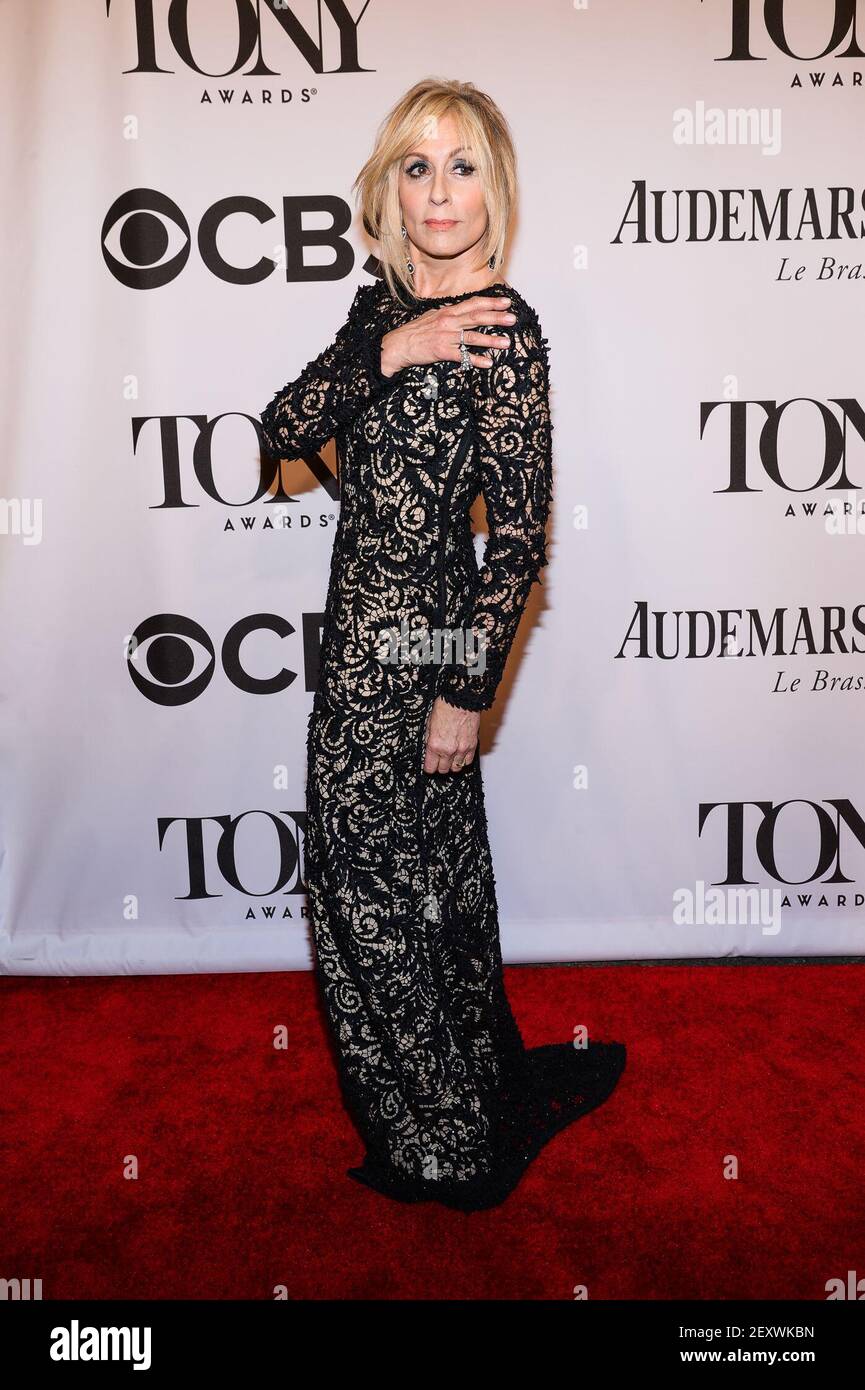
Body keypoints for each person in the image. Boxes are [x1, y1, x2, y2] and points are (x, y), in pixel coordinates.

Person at [258, 78, 626, 1212]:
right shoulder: (379, 314)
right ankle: (459, 1091)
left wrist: (466, 693)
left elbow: (516, 541)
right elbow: (282, 427)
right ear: (389, 187)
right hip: (357, 644)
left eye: (462, 164)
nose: (439, 189)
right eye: (416, 166)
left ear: (495, 186)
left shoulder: (505, 335)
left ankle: (443, 1142)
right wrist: (396, 345)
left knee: (370, 887)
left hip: (426, 641)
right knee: (428, 887)